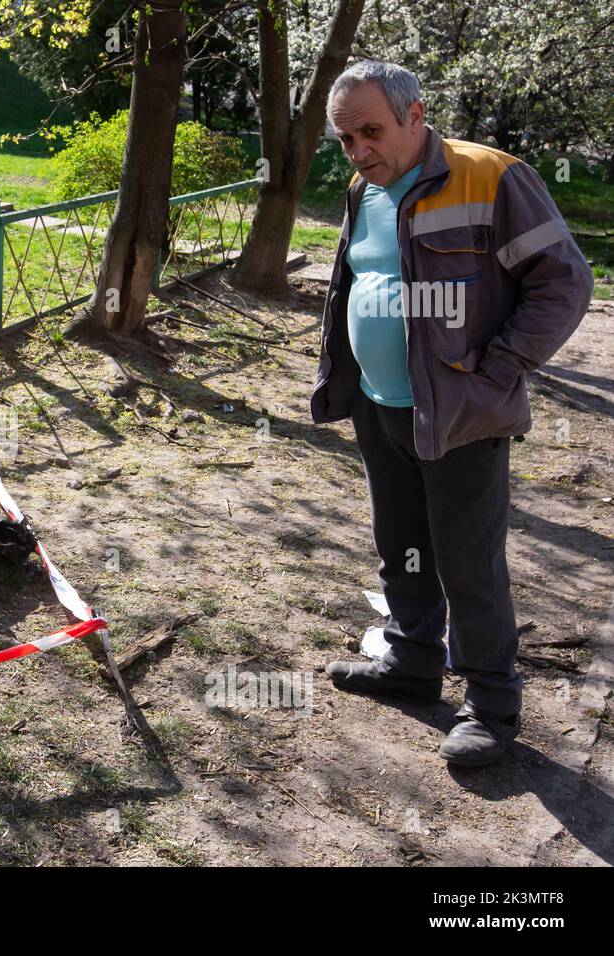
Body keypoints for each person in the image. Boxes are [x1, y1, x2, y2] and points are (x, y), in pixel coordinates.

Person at [312, 61, 594, 767]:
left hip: (460, 417)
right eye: (345, 140)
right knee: (400, 545)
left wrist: (499, 371)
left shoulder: (490, 177)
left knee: (468, 564)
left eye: (370, 132)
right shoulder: (362, 190)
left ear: (415, 115)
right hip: (380, 407)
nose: (359, 151)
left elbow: (565, 282)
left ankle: (492, 706)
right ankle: (411, 662)